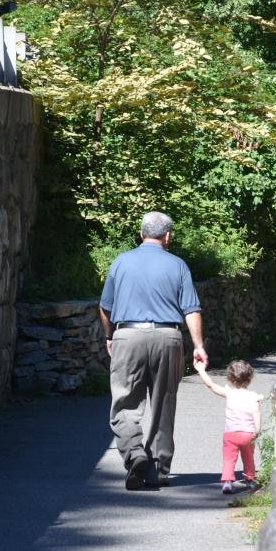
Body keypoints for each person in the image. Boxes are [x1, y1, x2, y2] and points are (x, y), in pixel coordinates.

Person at [99, 212, 207, 490]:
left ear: (141, 233)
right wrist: (198, 346)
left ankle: (134, 453)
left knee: (124, 403)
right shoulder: (178, 265)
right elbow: (191, 309)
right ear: (167, 235)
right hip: (167, 336)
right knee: (164, 402)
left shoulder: (120, 262)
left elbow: (105, 306)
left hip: (127, 335)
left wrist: (110, 336)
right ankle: (157, 468)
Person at [192, 359, 261, 494]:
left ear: (230, 378)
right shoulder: (253, 396)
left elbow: (211, 385)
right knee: (248, 457)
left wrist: (201, 370)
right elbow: (256, 413)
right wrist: (257, 430)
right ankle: (250, 479)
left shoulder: (229, 392)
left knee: (229, 458)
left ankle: (228, 482)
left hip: (231, 434)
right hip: (248, 434)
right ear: (250, 378)